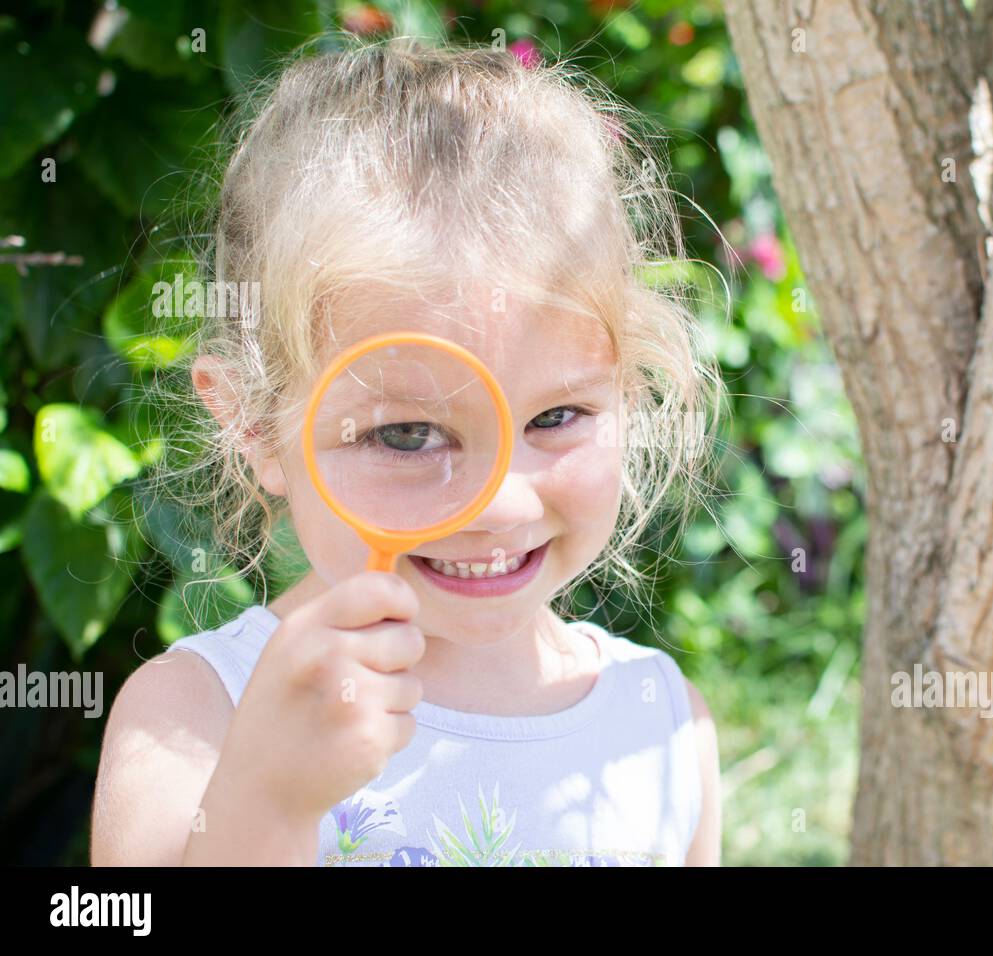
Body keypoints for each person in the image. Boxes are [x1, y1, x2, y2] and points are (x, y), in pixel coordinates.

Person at [90, 36, 724, 867]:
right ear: (252, 425)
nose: (499, 502)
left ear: (629, 395)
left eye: (558, 416)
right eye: (406, 434)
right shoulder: (193, 716)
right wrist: (266, 801)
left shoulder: (663, 724)